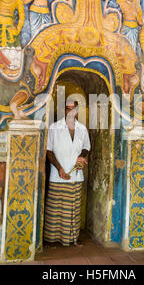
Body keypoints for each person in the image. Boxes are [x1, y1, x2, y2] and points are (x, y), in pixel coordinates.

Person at [44, 99, 90, 246]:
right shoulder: (54, 127)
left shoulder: (82, 129)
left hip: (76, 176)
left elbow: (86, 147)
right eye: (67, 108)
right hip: (58, 176)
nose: (70, 111)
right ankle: (53, 239)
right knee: (56, 210)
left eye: (73, 109)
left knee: (73, 209)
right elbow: (49, 151)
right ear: (63, 110)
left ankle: (71, 238)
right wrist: (59, 168)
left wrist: (81, 157)